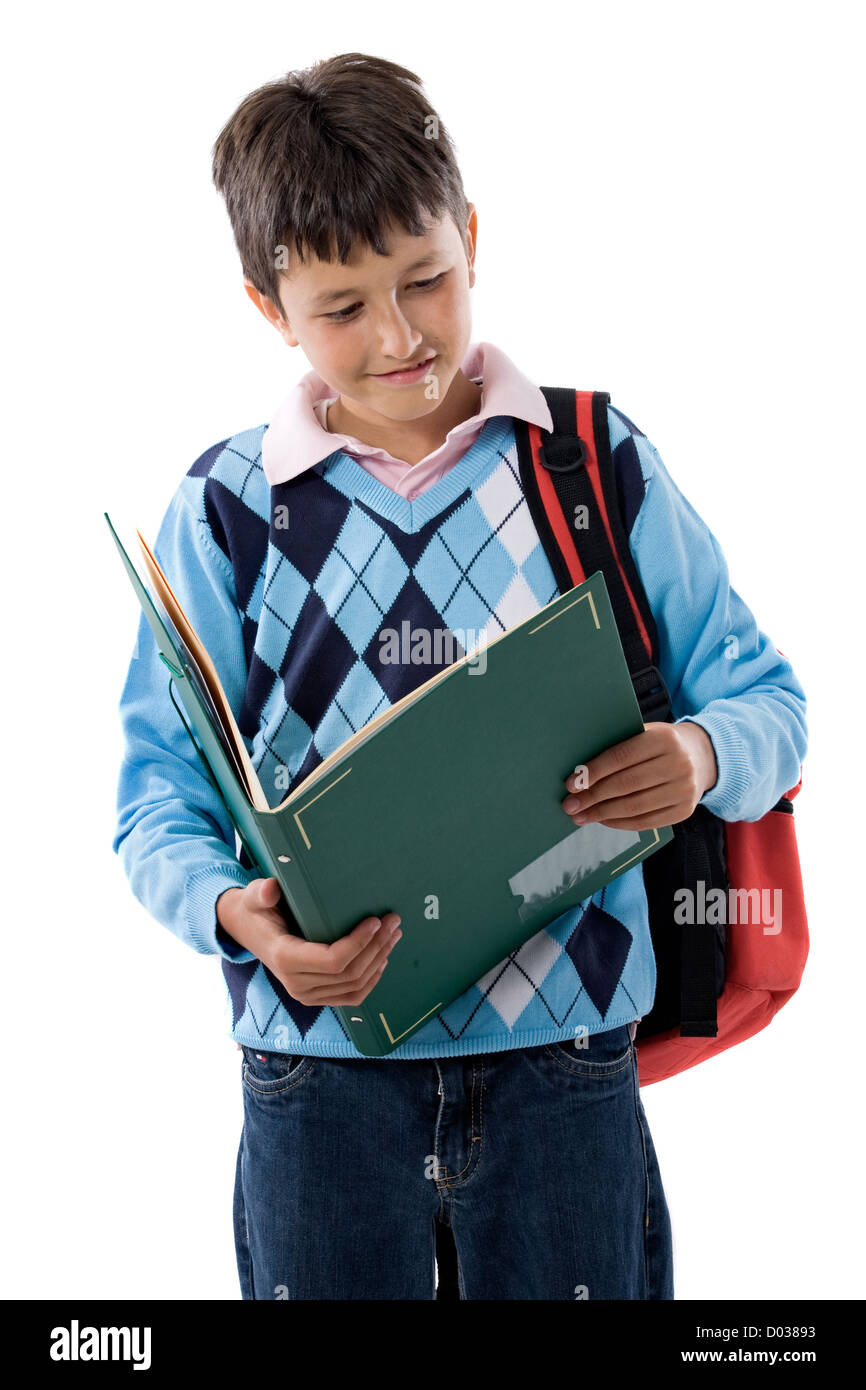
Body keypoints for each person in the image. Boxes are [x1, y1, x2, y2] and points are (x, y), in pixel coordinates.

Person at [112, 52, 808, 1301]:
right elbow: (156, 796)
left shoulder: (592, 462)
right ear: (268, 305)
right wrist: (236, 916)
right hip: (314, 1075)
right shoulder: (223, 511)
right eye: (341, 307)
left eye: (425, 279)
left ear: (472, 237)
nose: (397, 335)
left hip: (566, 1067)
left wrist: (695, 757)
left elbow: (768, 703)